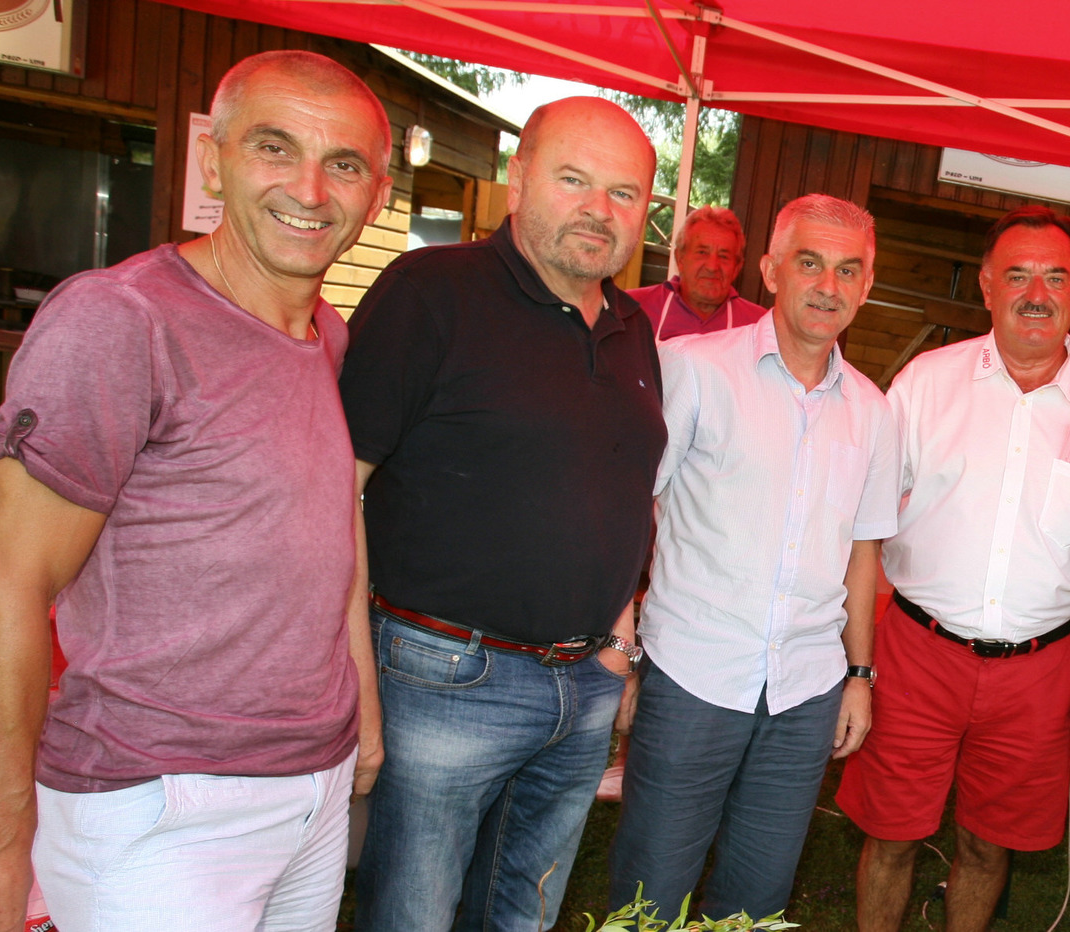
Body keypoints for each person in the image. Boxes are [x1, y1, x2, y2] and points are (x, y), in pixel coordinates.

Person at [0, 50, 392, 931]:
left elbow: (326, 533)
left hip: (312, 788)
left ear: (376, 194)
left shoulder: (328, 337)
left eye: (343, 163)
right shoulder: (121, 320)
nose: (310, 188)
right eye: (275, 148)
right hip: (161, 802)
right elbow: (1, 585)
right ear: (213, 160)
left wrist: (362, 713)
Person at [341, 97, 664, 932]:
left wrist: (620, 643)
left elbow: (626, 490)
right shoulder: (430, 291)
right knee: (412, 914)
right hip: (442, 677)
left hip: (585, 682)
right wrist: (353, 678)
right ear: (517, 180)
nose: (600, 209)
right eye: (574, 179)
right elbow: (337, 488)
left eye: (625, 193)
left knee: (523, 911)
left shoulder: (632, 327)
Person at [838, 205, 1070, 932]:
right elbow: (864, 529)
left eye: (1055, 275)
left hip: (1040, 667)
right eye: (1018, 275)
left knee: (988, 841)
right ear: (987, 286)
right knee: (892, 833)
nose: (1037, 292)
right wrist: (859, 667)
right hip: (917, 653)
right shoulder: (924, 385)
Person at [609, 193, 899, 920]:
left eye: (847, 270)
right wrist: (623, 641)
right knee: (652, 890)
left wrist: (859, 676)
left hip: (805, 692)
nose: (827, 286)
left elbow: (863, 552)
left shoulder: (873, 410)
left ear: (866, 287)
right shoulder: (695, 371)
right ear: (770, 270)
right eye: (809, 263)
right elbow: (628, 510)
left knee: (755, 901)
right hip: (692, 676)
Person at [629, 205, 768, 340]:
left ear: (737, 267)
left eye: (723, 256)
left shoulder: (760, 325)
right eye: (702, 253)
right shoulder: (631, 309)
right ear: (680, 259)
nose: (712, 267)